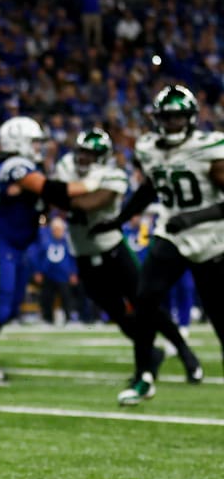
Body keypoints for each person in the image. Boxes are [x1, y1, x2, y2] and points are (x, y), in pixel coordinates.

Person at [91, 86, 224, 404]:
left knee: (220, 315)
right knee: (144, 297)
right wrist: (119, 219)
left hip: (212, 237)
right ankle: (144, 376)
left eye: (178, 118)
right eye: (166, 117)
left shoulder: (210, 147)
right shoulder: (148, 147)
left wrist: (193, 219)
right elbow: (151, 187)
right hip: (172, 233)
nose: (172, 124)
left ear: (190, 119)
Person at [0, 116, 96, 386]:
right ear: (19, 141)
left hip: (18, 246)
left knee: (10, 309)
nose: (39, 147)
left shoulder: (24, 165)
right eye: (34, 141)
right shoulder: (14, 164)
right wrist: (91, 184)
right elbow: (46, 189)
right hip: (0, 243)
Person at [55, 128, 198, 391]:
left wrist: (58, 193)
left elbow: (87, 204)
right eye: (81, 152)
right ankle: (150, 354)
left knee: (145, 303)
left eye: (90, 154)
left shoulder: (113, 175)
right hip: (83, 254)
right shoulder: (65, 165)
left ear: (102, 157)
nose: (83, 158)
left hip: (114, 251)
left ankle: (185, 352)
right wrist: (64, 193)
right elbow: (65, 197)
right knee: (117, 313)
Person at [31, 218, 77, 325]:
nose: (57, 231)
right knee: (47, 297)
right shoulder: (46, 242)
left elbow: (73, 258)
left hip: (63, 275)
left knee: (67, 298)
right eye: (55, 229)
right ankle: (47, 318)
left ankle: (69, 318)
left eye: (59, 229)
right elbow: (38, 257)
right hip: (49, 274)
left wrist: (73, 273)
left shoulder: (67, 242)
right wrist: (38, 271)